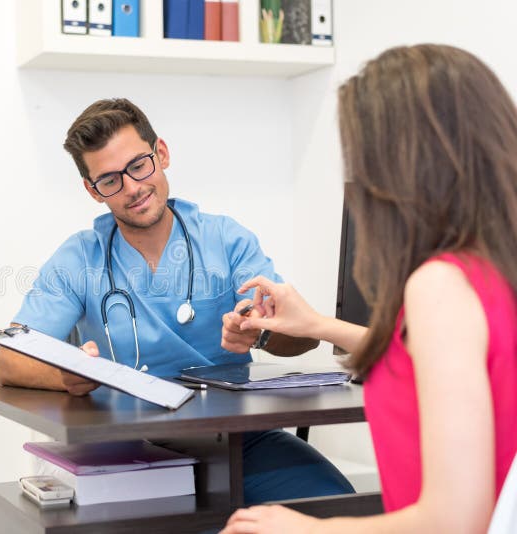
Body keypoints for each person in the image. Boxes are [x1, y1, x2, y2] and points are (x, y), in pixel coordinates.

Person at [0, 97, 354, 504]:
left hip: (238, 441)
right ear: (93, 191)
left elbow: (303, 336)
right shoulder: (78, 259)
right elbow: (7, 361)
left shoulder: (225, 240)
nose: (132, 188)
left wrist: (260, 334)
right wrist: (65, 375)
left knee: (336, 507)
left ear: (160, 153)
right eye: (110, 181)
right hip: (127, 448)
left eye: (138, 165)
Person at [221, 44, 517, 533]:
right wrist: (318, 325)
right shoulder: (489, 269)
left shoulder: (439, 285)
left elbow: (455, 520)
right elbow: (429, 354)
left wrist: (306, 529)